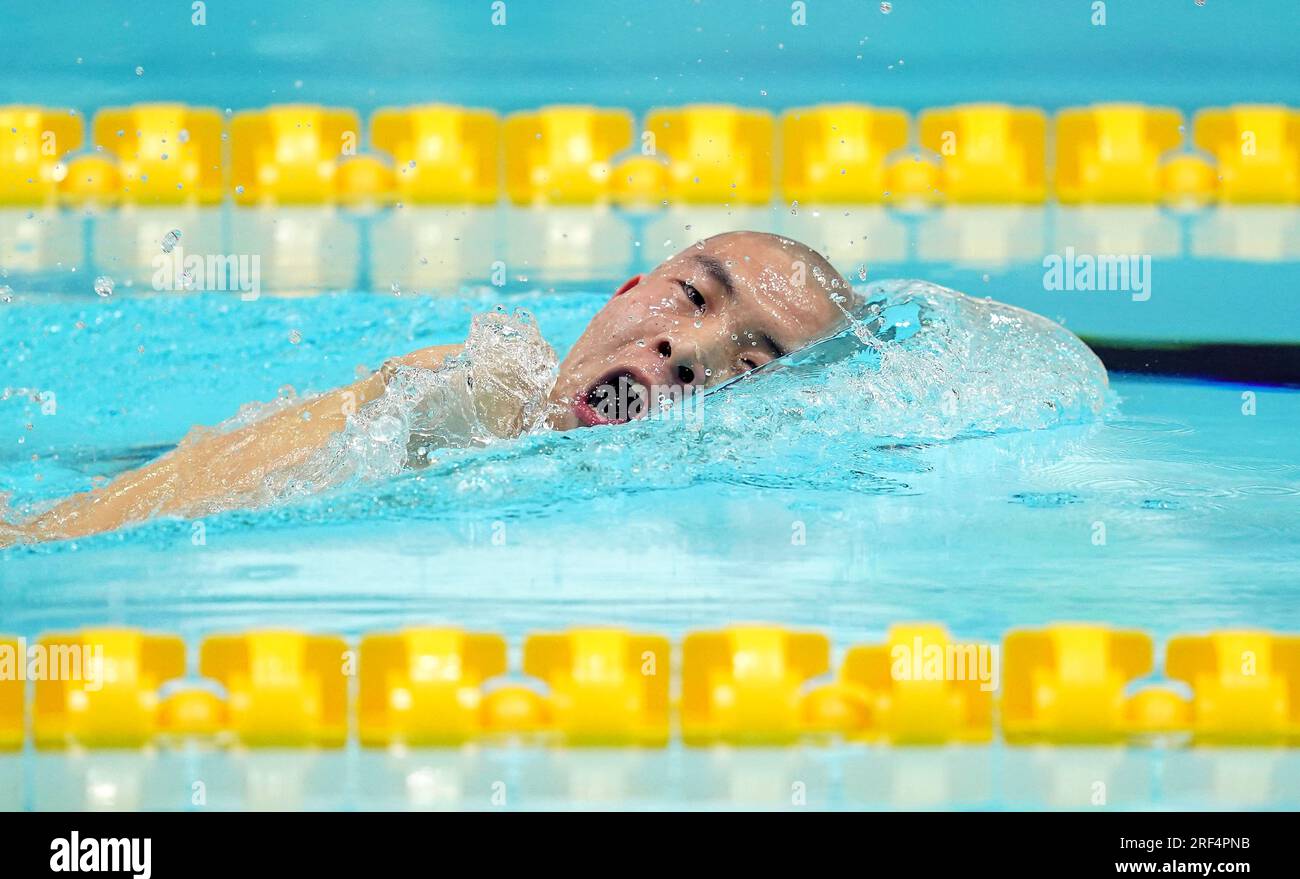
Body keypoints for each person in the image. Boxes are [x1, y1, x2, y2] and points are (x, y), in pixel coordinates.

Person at [2, 231, 854, 544]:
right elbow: (89, 530)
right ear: (625, 291)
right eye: (695, 296)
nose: (687, 351)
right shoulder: (463, 395)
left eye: (751, 368)